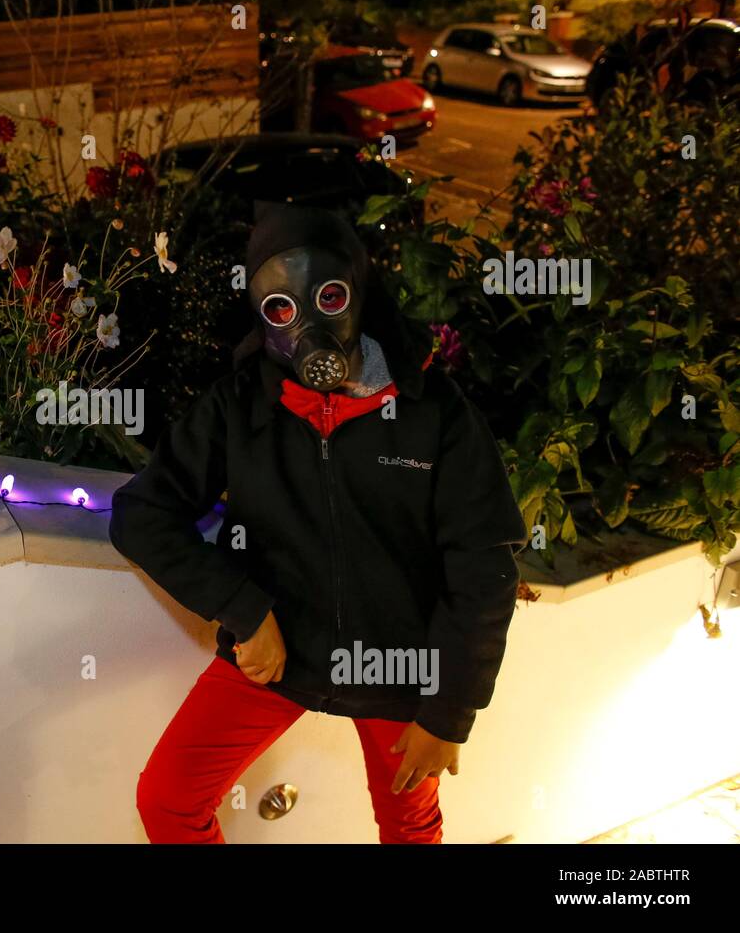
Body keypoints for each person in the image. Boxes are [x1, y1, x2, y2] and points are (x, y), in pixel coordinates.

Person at [109, 203, 526, 843]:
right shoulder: (239, 407)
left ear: (361, 291)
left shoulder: (432, 410)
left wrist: (449, 709)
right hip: (278, 656)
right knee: (168, 799)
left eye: (328, 295)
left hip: (401, 667)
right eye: (280, 309)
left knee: (410, 826)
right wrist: (243, 610)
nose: (307, 322)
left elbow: (483, 560)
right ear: (261, 317)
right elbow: (142, 514)